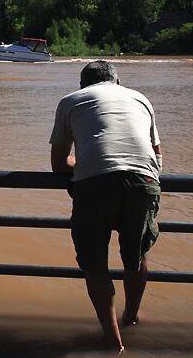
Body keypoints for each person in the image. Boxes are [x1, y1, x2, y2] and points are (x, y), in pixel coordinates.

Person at [49, 60, 162, 353]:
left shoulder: (71, 101)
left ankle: (113, 342)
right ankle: (132, 317)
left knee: (95, 264)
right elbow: (157, 157)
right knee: (136, 255)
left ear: (82, 85)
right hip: (144, 181)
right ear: (117, 81)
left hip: (94, 186)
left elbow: (59, 164)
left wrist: (81, 162)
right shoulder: (141, 99)